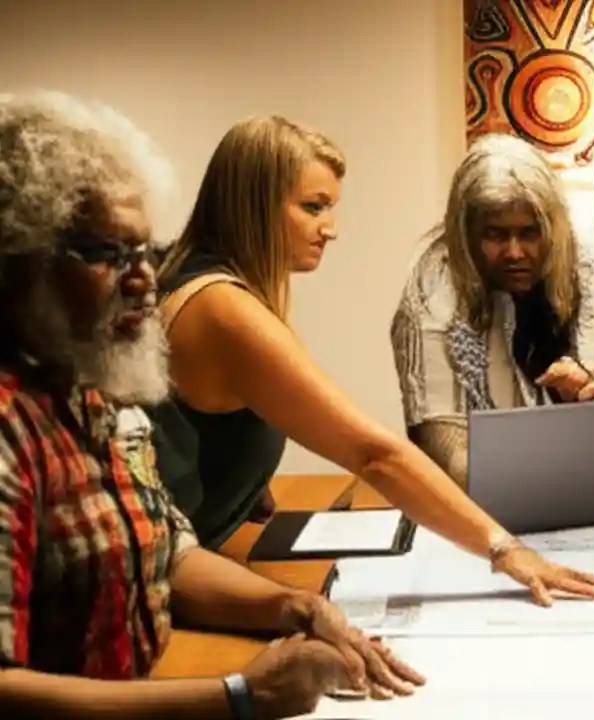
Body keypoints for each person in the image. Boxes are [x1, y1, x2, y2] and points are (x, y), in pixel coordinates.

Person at [0, 91, 423, 718]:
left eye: (143, 251)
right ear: (21, 260)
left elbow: (169, 554)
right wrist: (238, 697)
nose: (143, 278)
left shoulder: (99, 396)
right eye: (105, 255)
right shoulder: (10, 426)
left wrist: (297, 606)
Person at [146, 114, 594, 606]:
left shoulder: (193, 276)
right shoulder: (224, 310)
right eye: (313, 207)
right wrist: (503, 549)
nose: (332, 229)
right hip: (159, 576)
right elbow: (374, 454)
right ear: (253, 206)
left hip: (189, 551)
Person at [391, 133, 594, 486]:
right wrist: (514, 490)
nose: (514, 252)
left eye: (529, 233)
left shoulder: (580, 260)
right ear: (466, 234)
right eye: (495, 235)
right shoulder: (434, 288)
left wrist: (587, 393)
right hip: (472, 498)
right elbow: (438, 434)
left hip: (567, 485)